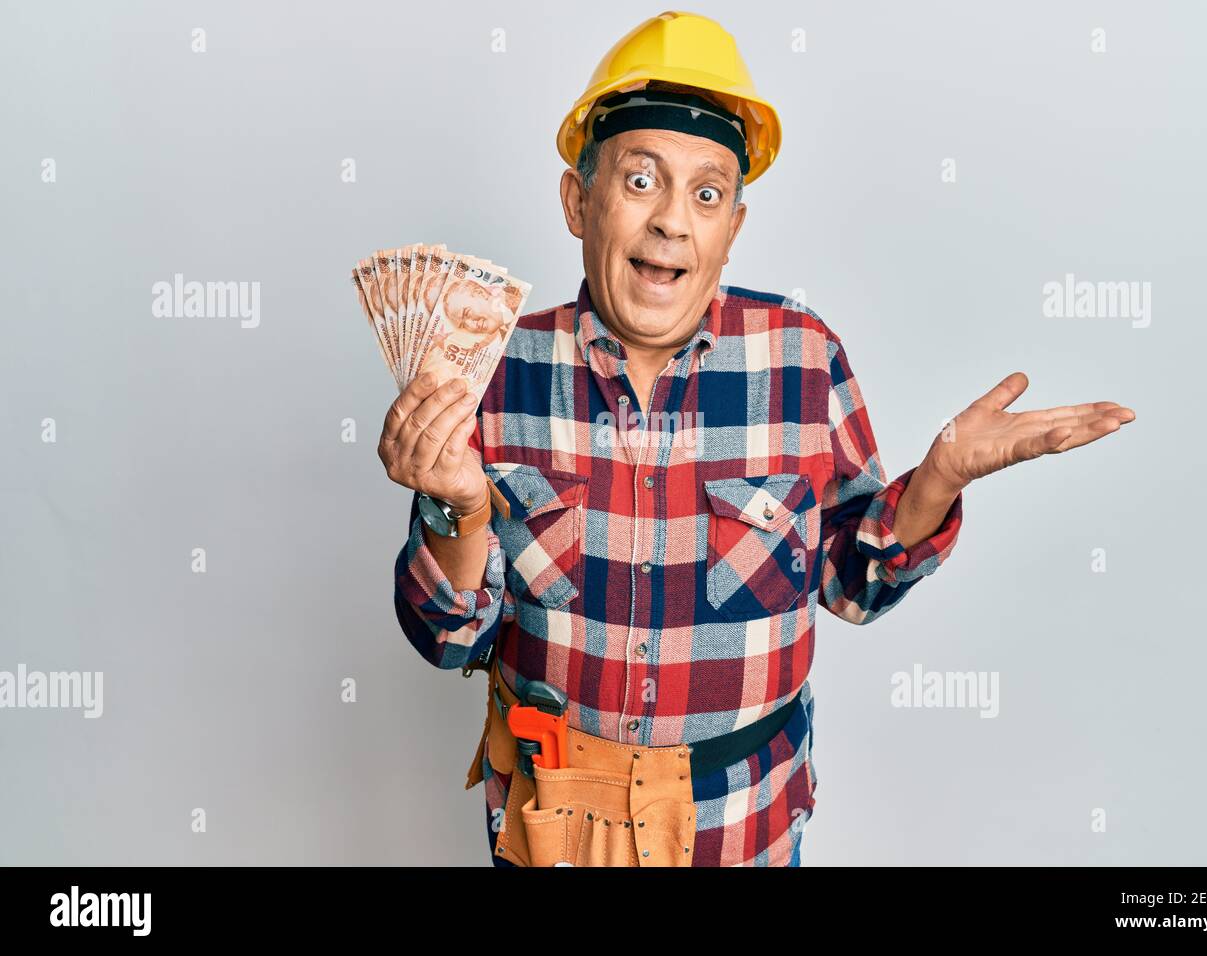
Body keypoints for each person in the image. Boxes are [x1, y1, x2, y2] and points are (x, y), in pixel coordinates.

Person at [378, 11, 1135, 867]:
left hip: (744, 831)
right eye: (640, 180)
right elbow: (447, 639)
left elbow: (854, 583)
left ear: (732, 228)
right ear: (577, 202)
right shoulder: (492, 369)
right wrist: (456, 510)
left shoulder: (802, 357)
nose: (672, 221)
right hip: (550, 829)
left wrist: (939, 479)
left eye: (706, 195)